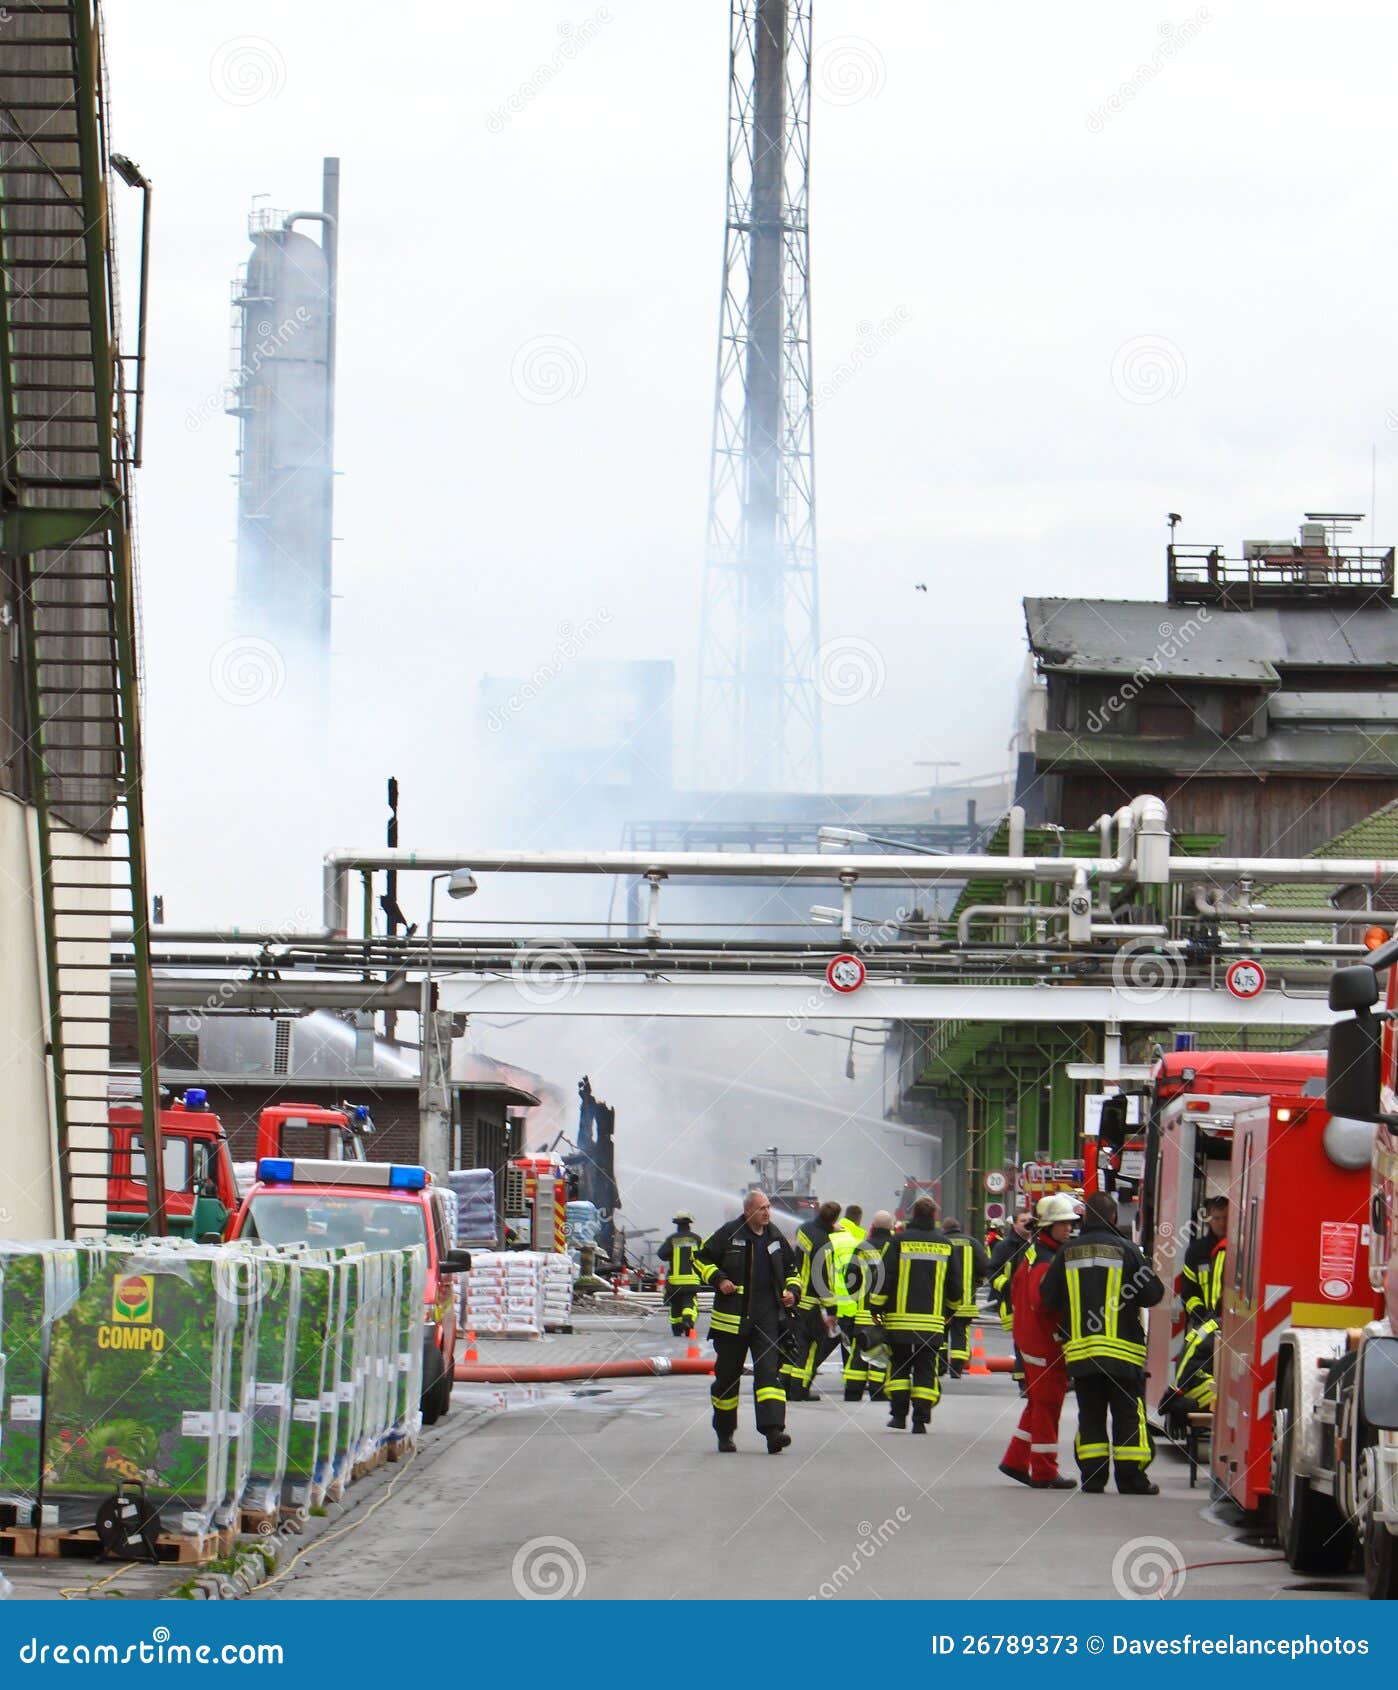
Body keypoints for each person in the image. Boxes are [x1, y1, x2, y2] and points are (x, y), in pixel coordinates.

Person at [1040, 1190, 1165, 1495]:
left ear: (1084, 1218)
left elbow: (1048, 1298)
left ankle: (1094, 1478)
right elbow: (1153, 1295)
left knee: (1091, 1414)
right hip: (1123, 1352)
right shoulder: (1128, 1251)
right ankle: (1131, 1479)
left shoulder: (1067, 1252)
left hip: (1082, 1353)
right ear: (1113, 1218)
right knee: (1126, 1415)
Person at [695, 1190, 796, 1454]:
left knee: (769, 1375)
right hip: (732, 1322)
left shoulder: (775, 1237)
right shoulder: (729, 1233)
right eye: (762, 1208)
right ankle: (725, 1433)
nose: (767, 1212)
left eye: (769, 1207)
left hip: (767, 1319)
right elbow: (700, 1258)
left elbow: (792, 1269)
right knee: (727, 1380)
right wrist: (719, 1279)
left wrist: (792, 1292)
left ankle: (774, 1432)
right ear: (748, 1210)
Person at [998, 1193, 1077, 1490]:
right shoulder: (1046, 1262)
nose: (1068, 1229)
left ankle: (1016, 1461)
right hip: (1045, 1344)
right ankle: (1044, 1470)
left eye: (1070, 1223)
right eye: (1062, 1224)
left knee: (1037, 1405)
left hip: (1031, 1340)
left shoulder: (1035, 1252)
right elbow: (1042, 1303)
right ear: (1047, 1227)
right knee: (1047, 1405)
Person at [868, 1196, 962, 1433]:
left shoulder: (898, 1241)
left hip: (899, 1320)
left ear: (913, 1215)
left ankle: (899, 1416)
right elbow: (955, 1283)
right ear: (934, 1217)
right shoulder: (945, 1244)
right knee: (925, 1369)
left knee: (899, 1366)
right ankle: (920, 1421)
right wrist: (951, 1310)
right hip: (932, 1323)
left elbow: (885, 1277)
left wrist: (875, 1308)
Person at [780, 1199, 843, 1402]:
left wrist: (830, 1229)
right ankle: (800, 1389)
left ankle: (784, 1385)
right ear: (834, 1219)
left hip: (794, 1297)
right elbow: (825, 1281)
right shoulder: (825, 1246)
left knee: (793, 1345)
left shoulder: (804, 1229)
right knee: (812, 1347)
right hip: (810, 1304)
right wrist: (832, 1312)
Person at [843, 1210, 894, 1402]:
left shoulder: (862, 1247)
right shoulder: (895, 1246)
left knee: (859, 1350)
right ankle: (877, 1390)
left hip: (863, 1312)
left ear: (873, 1226)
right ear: (891, 1227)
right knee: (882, 1350)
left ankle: (853, 1391)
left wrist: (857, 1299)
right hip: (885, 1313)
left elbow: (850, 1277)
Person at [989, 1208, 1036, 1391]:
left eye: (1029, 1221)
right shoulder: (1004, 1246)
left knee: (1033, 1342)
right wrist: (1008, 1287)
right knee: (1022, 1342)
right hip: (1013, 1303)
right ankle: (1023, 1381)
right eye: (1023, 1221)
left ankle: (1030, 1379)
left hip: (1034, 1300)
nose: (1027, 1224)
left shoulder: (1037, 1243)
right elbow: (992, 1271)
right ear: (1014, 1224)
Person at [941, 1217, 990, 1379]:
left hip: (942, 1299)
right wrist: (978, 1280)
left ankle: (940, 1366)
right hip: (966, 1299)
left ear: (944, 1229)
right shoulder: (972, 1243)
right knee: (960, 1332)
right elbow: (985, 1267)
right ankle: (956, 1369)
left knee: (941, 1332)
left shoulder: (940, 1242)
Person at [830, 1204, 866, 1375]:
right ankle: (852, 1375)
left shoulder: (832, 1236)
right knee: (851, 1344)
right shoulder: (857, 1242)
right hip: (850, 1303)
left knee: (822, 1344)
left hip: (829, 1300)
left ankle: (799, 1379)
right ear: (859, 1219)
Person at [656, 1211, 704, 1337]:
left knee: (676, 1304)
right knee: (690, 1302)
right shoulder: (697, 1239)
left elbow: (661, 1254)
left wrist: (671, 1255)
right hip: (692, 1280)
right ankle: (688, 1320)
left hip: (675, 1281)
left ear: (676, 1224)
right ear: (689, 1223)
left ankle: (677, 1328)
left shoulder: (672, 1239)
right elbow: (705, 1256)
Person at [1182, 1198, 1228, 1325]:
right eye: (1217, 1218)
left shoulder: (1240, 1250)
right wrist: (1201, 1315)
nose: (1222, 1223)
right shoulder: (1196, 1252)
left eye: (1226, 1218)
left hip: (1231, 1323)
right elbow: (1188, 1292)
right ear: (1208, 1220)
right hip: (1204, 1325)